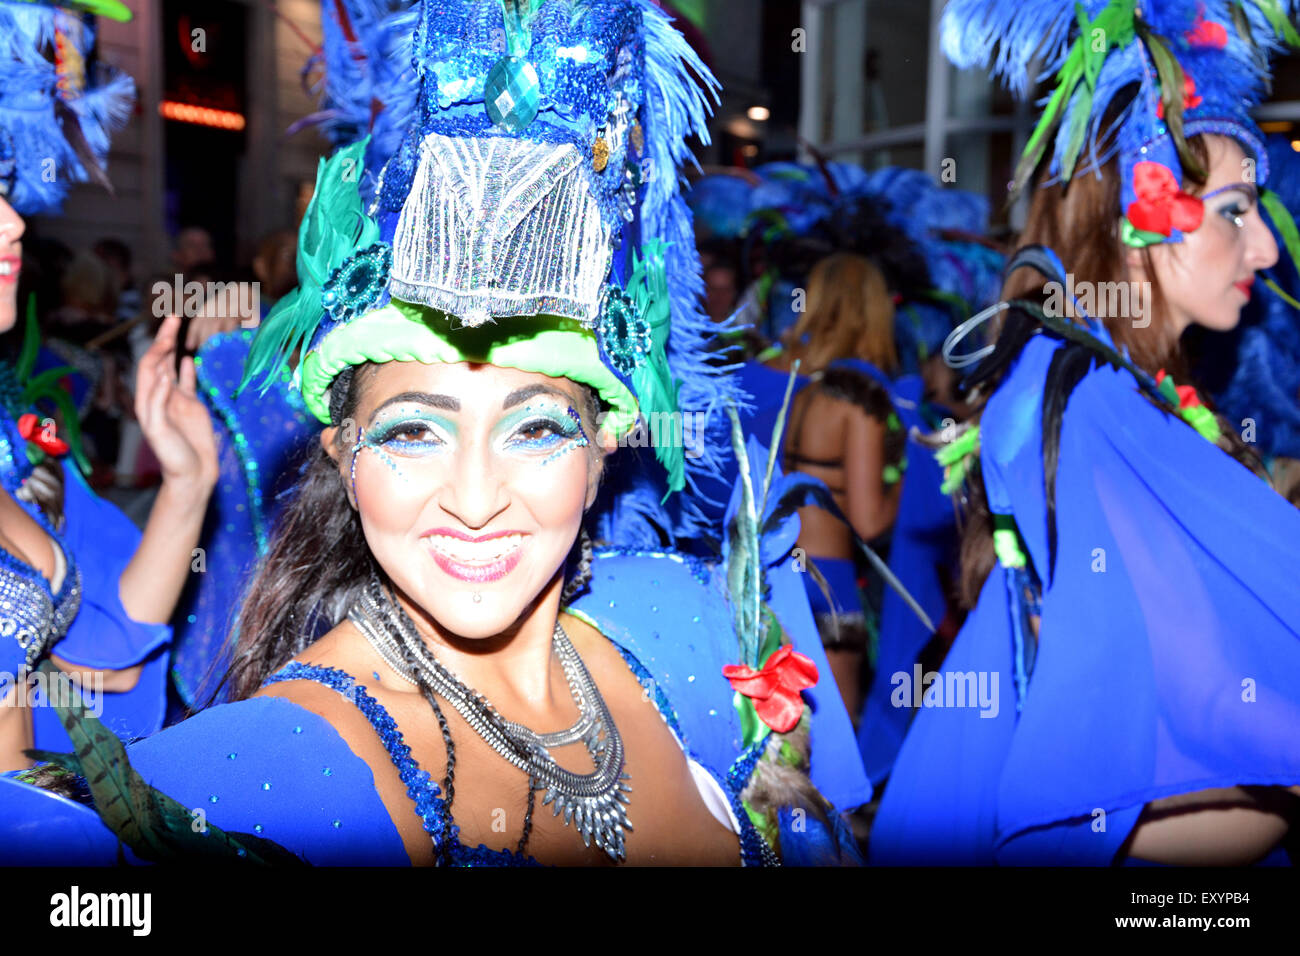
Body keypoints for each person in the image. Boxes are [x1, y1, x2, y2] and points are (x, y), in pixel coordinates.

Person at [0, 0, 868, 866]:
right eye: (415, 432)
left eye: (534, 430)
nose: (478, 500)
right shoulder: (264, 781)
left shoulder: (701, 626)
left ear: (607, 443)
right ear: (342, 451)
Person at [871, 0, 1300, 865]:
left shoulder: (1108, 387)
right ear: (1139, 212)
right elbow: (1210, 695)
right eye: (1235, 209)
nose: (1263, 248)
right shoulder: (1085, 393)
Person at [0, 0, 218, 770]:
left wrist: (189, 483)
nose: (14, 223)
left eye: (4, 186)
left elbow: (116, 648)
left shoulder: (13, 440)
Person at [767, 253, 906, 717]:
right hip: (831, 587)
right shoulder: (859, 400)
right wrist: (913, 478)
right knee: (836, 747)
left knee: (788, 735)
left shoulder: (803, 390)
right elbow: (867, 521)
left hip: (781, 574)